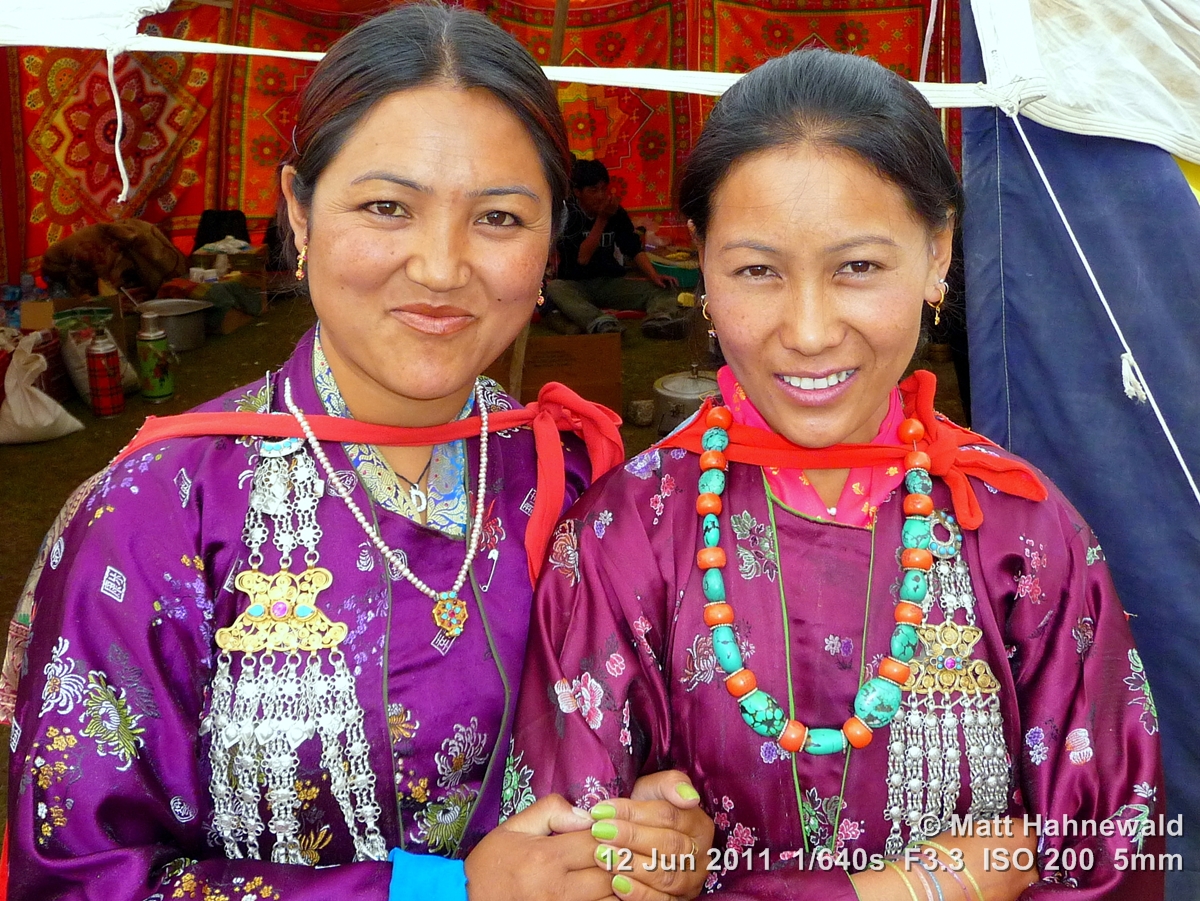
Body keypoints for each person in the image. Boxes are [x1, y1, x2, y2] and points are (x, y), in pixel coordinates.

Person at [1, 6, 712, 900]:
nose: (443, 267)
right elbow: (81, 878)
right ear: (298, 209)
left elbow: (642, 750)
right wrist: (443, 893)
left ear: (550, 240)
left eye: (498, 216)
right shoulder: (155, 514)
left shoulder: (573, 479)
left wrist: (663, 826)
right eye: (386, 206)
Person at [509, 48, 1165, 899]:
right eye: (757, 270)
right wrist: (914, 887)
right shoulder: (624, 534)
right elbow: (567, 870)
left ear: (938, 256)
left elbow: (1106, 853)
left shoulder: (1018, 528)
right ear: (701, 267)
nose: (810, 331)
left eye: (858, 266)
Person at [544, 158, 690, 339]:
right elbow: (583, 258)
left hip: (609, 282)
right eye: (593, 190)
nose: (600, 195)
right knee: (555, 289)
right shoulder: (569, 215)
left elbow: (633, 248)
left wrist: (654, 276)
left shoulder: (615, 212)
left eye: (603, 189)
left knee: (665, 287)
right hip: (576, 284)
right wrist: (602, 219)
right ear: (577, 192)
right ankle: (602, 323)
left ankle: (659, 321)